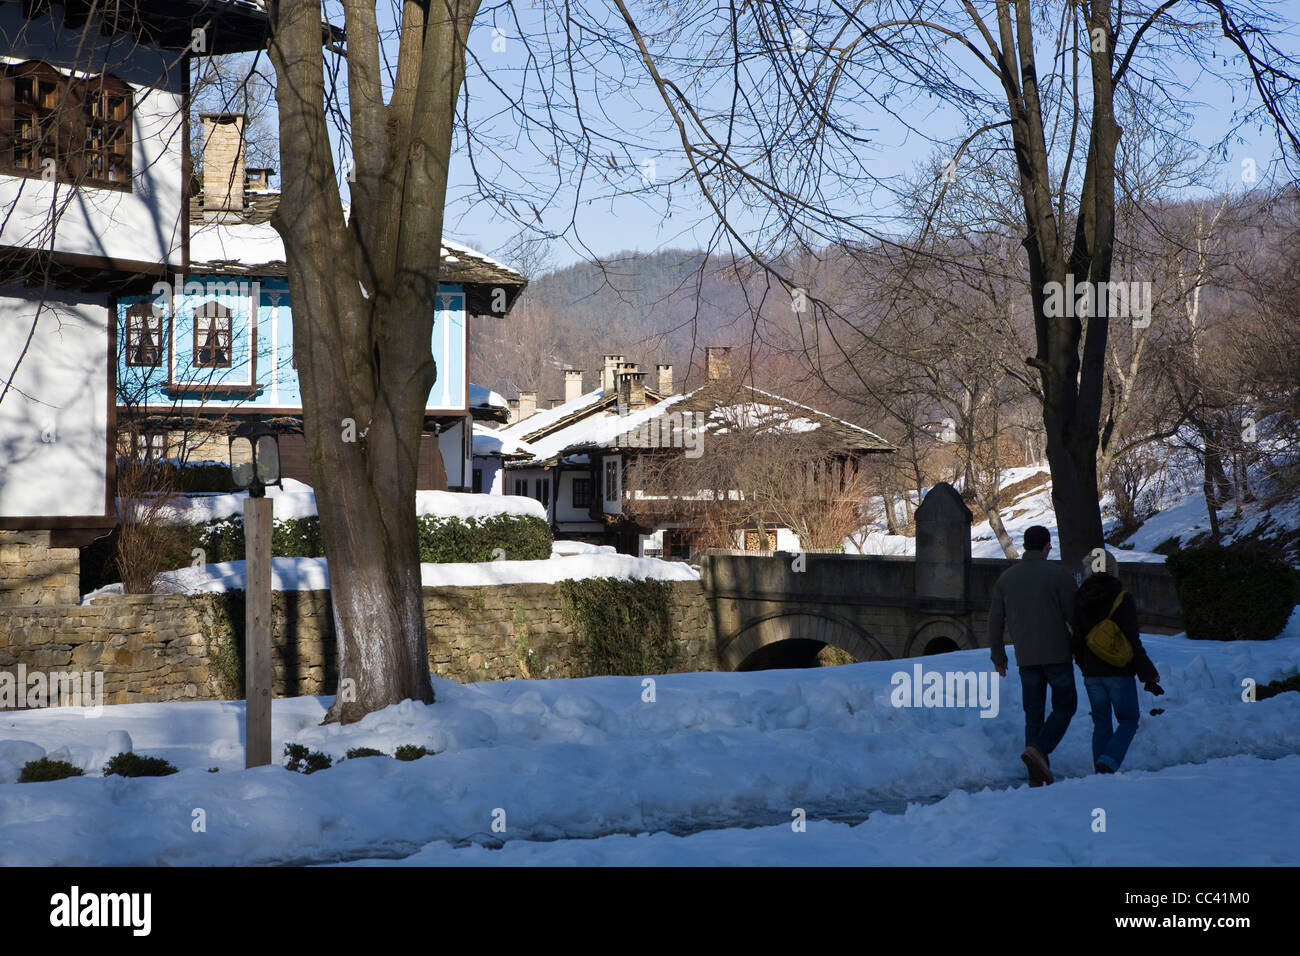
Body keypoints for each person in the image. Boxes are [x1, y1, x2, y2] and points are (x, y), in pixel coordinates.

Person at [988, 525, 1079, 787]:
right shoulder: (1058, 575)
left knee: (1034, 714)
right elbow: (1074, 616)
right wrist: (1080, 647)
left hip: (1026, 656)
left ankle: (1036, 776)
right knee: (1065, 706)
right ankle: (1039, 750)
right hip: (1057, 653)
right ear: (1046, 546)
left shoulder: (1006, 579)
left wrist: (998, 656)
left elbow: (995, 621)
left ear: (1025, 545)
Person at [1071, 571, 1163, 773]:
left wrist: (1084, 665)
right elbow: (1132, 638)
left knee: (1101, 723)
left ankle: (1100, 770)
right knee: (1129, 720)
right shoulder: (1122, 598)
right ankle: (1109, 761)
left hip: (1092, 673)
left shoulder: (1079, 599)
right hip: (1119, 670)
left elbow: (1076, 638)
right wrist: (1147, 671)